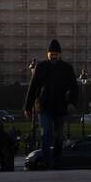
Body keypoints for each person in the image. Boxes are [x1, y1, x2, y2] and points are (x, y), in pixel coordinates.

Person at [25, 39, 79, 170]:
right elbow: (32, 88)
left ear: (60, 55)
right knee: (46, 133)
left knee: (59, 137)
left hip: (60, 107)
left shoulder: (66, 68)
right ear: (47, 54)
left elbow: (74, 87)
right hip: (44, 107)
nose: (54, 57)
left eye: (56, 54)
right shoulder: (41, 67)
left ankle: (56, 159)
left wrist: (72, 103)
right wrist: (27, 107)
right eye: (51, 54)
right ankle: (47, 161)